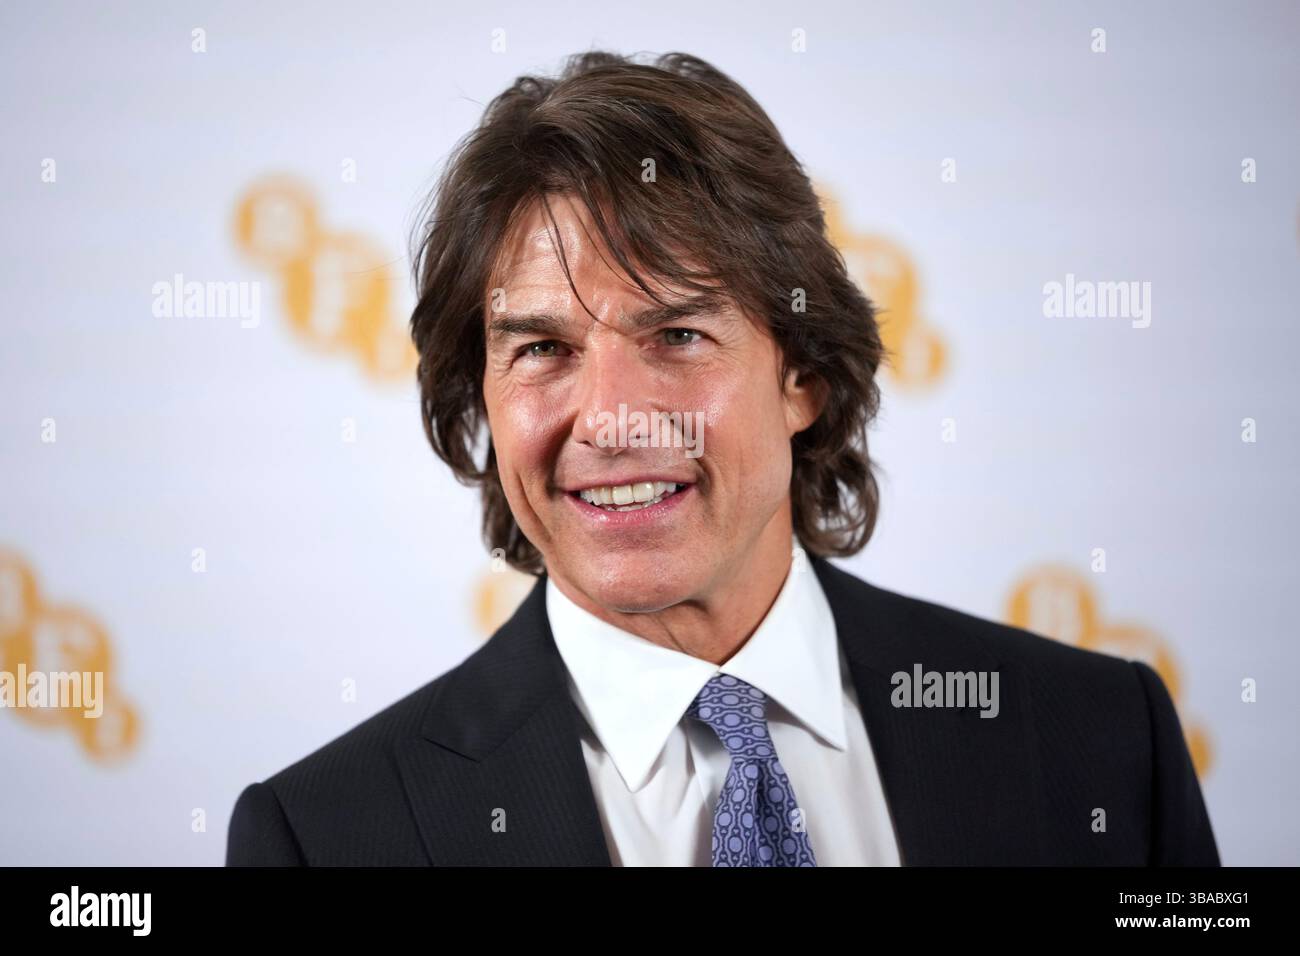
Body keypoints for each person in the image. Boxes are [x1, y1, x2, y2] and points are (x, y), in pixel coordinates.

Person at [226, 51, 1218, 867]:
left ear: (803, 375)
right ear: (479, 401)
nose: (612, 419)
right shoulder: (326, 838)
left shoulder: (1097, 738)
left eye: (676, 335)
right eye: (541, 348)